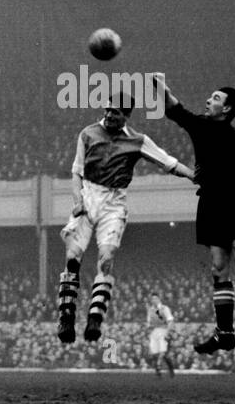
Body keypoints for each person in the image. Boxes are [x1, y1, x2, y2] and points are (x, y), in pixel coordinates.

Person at [152, 76, 235, 358]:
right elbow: (175, 109)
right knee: (218, 267)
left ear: (227, 108)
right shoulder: (201, 126)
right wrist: (158, 85)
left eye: (215, 98)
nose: (208, 101)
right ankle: (225, 334)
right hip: (209, 201)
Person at [56, 97, 194, 344]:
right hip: (88, 195)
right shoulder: (88, 133)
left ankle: (95, 317)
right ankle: (67, 316)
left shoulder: (137, 141)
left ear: (126, 116)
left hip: (114, 202)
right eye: (107, 109)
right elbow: (76, 172)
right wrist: (77, 202)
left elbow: (168, 163)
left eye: (115, 112)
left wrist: (194, 177)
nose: (109, 115)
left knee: (107, 257)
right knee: (72, 257)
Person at [146, 291, 175, 376]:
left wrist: (168, 332)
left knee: (162, 350)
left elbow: (170, 321)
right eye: (152, 299)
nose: (154, 300)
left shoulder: (164, 308)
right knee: (156, 352)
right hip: (154, 331)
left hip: (164, 330)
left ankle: (158, 366)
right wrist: (149, 329)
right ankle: (170, 367)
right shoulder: (150, 310)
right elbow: (149, 323)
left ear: (159, 299)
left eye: (155, 298)